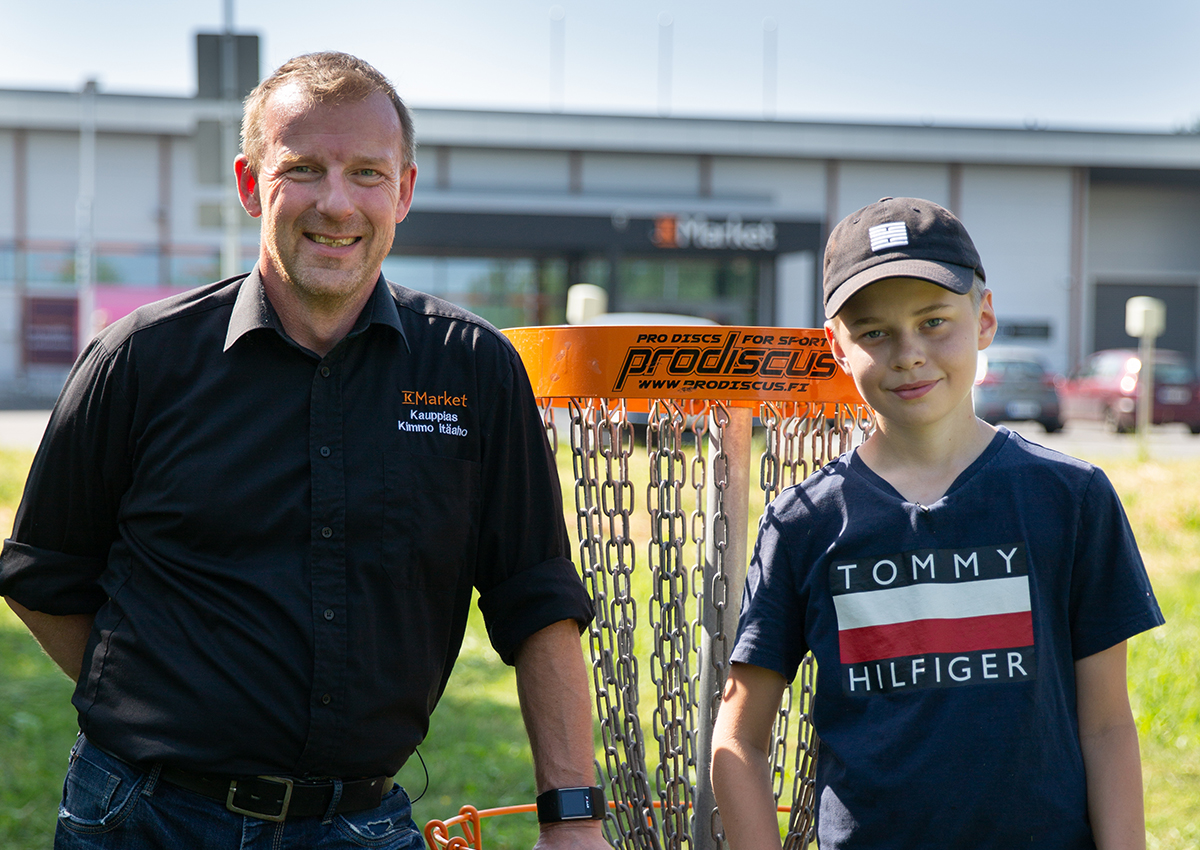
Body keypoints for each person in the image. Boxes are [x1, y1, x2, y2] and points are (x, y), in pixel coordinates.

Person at [1, 52, 608, 850]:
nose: (336, 203)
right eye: (304, 168)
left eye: (366, 173)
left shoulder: (474, 370)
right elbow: (44, 575)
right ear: (252, 184)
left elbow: (537, 599)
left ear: (405, 190)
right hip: (144, 819)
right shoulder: (141, 362)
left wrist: (574, 819)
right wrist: (163, 703)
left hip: (362, 825)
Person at [711, 197, 1163, 849]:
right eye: (874, 332)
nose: (909, 353)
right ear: (837, 347)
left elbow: (1106, 727)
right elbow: (740, 739)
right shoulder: (803, 522)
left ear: (984, 319)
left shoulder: (1071, 498)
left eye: (933, 322)